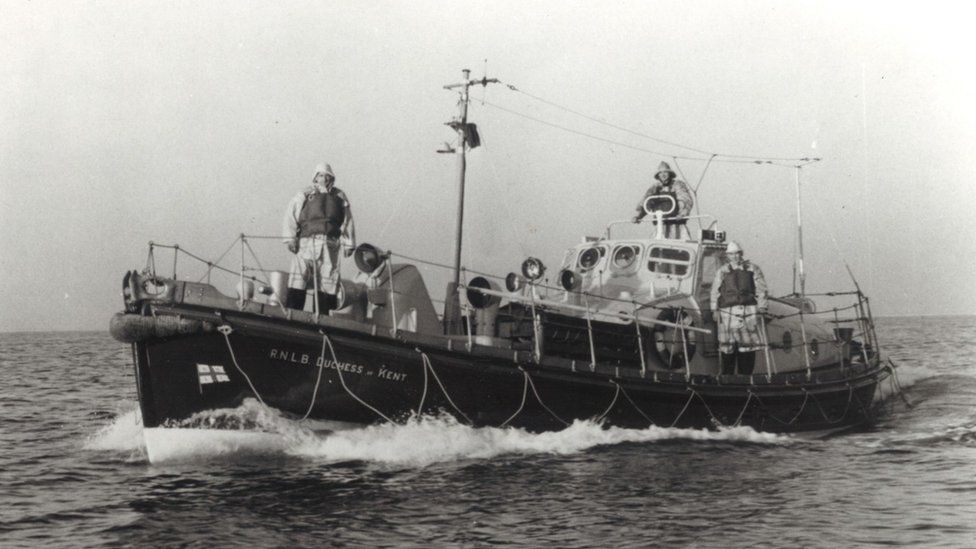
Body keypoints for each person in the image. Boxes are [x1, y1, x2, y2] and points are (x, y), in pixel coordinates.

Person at [282, 163, 356, 314]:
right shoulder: (304, 194)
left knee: (328, 279)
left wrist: (349, 244)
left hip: (330, 244)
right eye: (321, 175)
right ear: (315, 177)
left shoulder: (340, 196)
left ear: (332, 178)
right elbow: (291, 215)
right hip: (306, 243)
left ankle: (323, 317)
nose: (324, 178)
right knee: (299, 276)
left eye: (328, 176)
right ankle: (293, 313)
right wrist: (290, 238)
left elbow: (348, 220)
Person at [709, 241, 768, 375]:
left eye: (737, 253)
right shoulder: (722, 271)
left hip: (748, 311)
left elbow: (762, 289)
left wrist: (762, 308)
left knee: (747, 346)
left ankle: (746, 376)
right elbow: (715, 291)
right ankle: (727, 377)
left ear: (741, 254)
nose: (734, 256)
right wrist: (714, 309)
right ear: (727, 255)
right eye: (731, 254)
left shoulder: (753, 269)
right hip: (727, 312)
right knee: (727, 345)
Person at [632, 161, 694, 238]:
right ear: (658, 175)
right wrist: (638, 216)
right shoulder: (655, 187)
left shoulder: (678, 185)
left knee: (678, 244)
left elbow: (684, 199)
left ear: (670, 174)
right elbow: (646, 202)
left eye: (665, 172)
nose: (663, 175)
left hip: (676, 224)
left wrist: (682, 213)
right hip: (660, 224)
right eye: (660, 173)